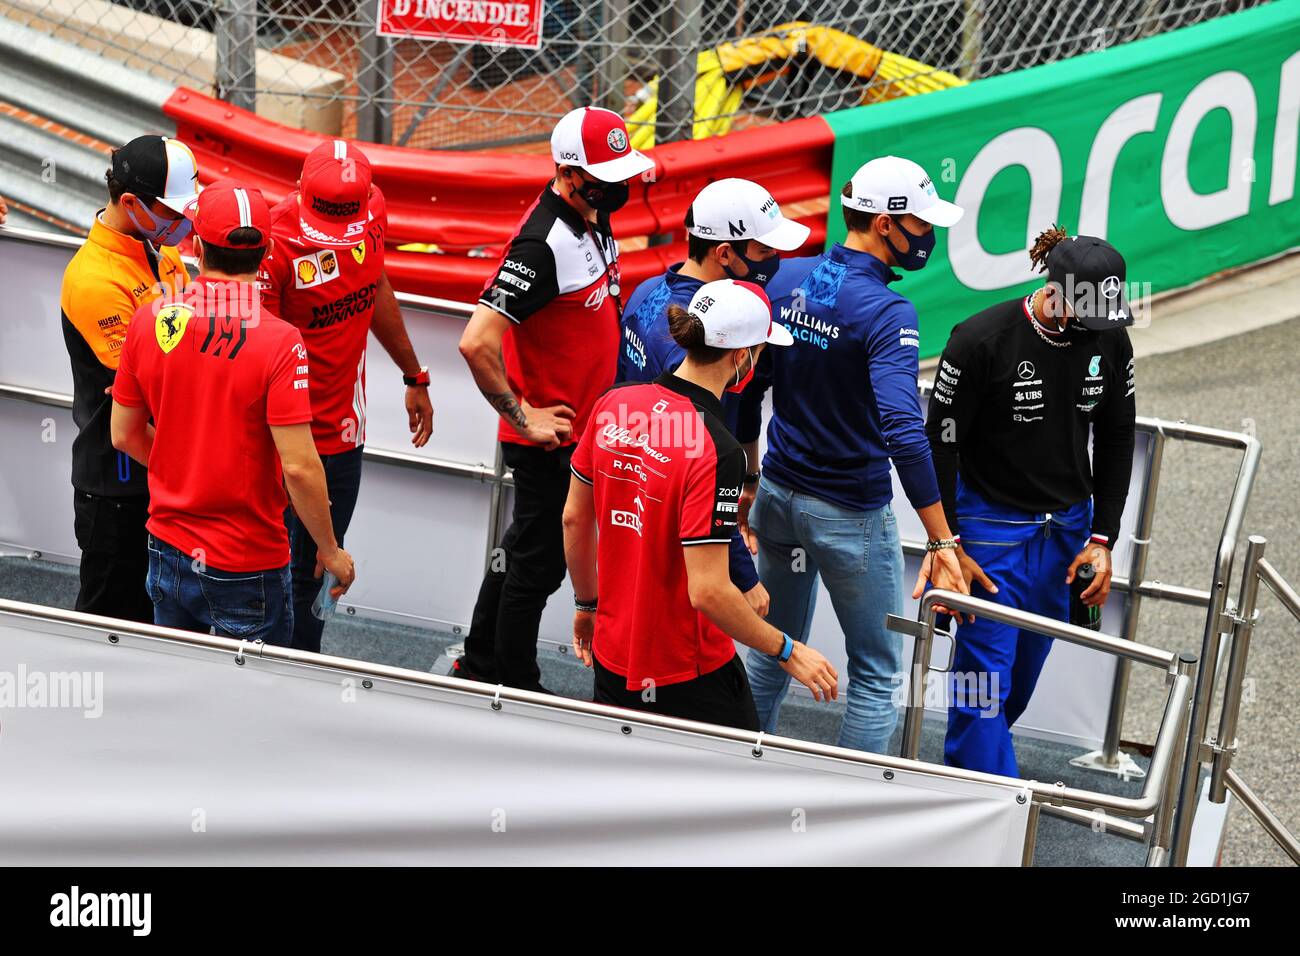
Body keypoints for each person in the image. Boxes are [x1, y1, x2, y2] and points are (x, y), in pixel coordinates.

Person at [742, 155, 969, 754]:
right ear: (885, 224)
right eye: (921, 224)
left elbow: (746, 386)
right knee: (875, 674)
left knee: (770, 650)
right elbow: (901, 425)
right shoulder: (889, 311)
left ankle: (724, 788)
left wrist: (746, 484)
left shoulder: (783, 279)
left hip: (777, 497)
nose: (930, 236)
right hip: (849, 512)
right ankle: (845, 828)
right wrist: (942, 540)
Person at [564, 279, 839, 727]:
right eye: (760, 351)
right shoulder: (718, 449)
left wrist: (587, 605)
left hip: (613, 655)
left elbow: (574, 520)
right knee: (733, 792)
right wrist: (788, 650)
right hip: (688, 670)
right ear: (740, 357)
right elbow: (708, 591)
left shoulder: (613, 405)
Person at [926, 227, 1137, 777]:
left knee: (1020, 677)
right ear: (1056, 293)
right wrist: (945, 542)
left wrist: (1103, 538)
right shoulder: (979, 340)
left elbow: (1117, 439)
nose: (1097, 330)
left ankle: (972, 781)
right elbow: (939, 442)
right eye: (1087, 315)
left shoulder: (1110, 339)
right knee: (981, 684)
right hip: (988, 530)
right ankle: (996, 812)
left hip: (1067, 532)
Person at [456, 106, 653, 692]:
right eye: (605, 173)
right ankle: (512, 683)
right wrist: (524, 415)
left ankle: (481, 660)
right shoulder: (543, 244)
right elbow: (475, 342)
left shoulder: (590, 213)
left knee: (523, 552)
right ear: (569, 173)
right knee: (538, 567)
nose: (619, 184)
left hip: (578, 428)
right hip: (551, 438)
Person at [110, 181, 355, 645]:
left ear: (197, 246)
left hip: (166, 546)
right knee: (252, 706)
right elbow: (300, 468)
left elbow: (123, 435)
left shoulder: (150, 319)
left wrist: (183, 474)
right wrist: (330, 550)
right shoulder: (281, 341)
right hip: (247, 563)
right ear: (267, 252)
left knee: (176, 691)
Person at [256, 139, 433, 653]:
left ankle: (302, 678)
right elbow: (256, 353)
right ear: (298, 192)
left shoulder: (374, 210)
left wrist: (413, 374)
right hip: (281, 438)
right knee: (273, 576)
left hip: (343, 438)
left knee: (318, 577)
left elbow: (372, 282)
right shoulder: (274, 243)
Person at [617, 178, 810, 619]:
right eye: (764, 253)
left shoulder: (647, 292)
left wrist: (747, 477)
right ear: (724, 253)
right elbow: (701, 451)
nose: (775, 263)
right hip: (673, 519)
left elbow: (620, 395)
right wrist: (744, 575)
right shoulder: (701, 336)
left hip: (635, 494)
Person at [60, 135, 196, 623]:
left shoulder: (160, 247)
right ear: (132, 203)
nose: (186, 224)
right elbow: (145, 393)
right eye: (174, 212)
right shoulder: (94, 280)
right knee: (109, 630)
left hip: (163, 477)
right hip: (117, 492)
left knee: (162, 625)